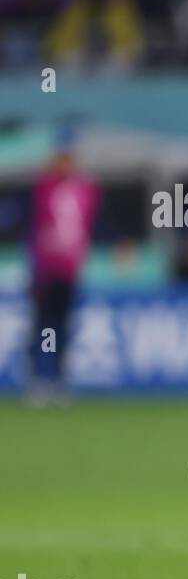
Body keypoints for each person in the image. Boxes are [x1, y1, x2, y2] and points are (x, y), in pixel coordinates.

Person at [28, 132, 101, 405]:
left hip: (70, 270)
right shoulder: (43, 188)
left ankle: (58, 379)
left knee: (63, 327)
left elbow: (95, 225)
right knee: (43, 327)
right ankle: (38, 379)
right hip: (46, 270)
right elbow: (31, 228)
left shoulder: (85, 189)